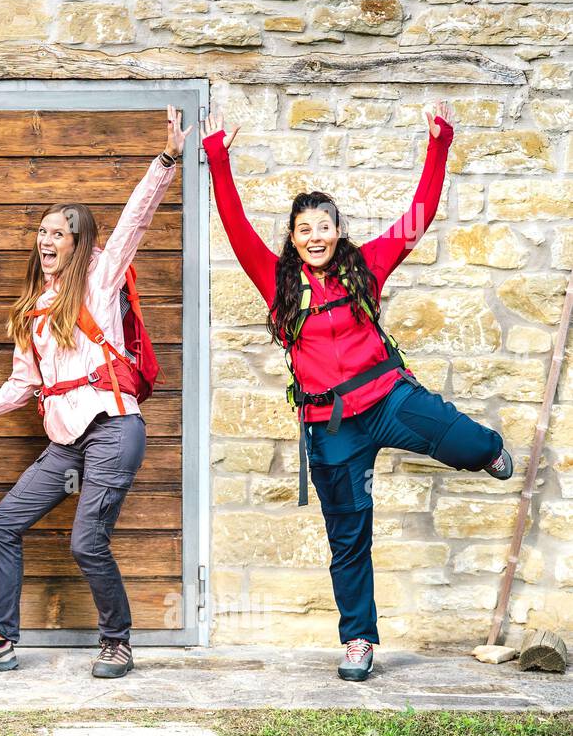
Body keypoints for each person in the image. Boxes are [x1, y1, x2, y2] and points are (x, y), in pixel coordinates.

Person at [199, 100, 513, 682]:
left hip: (390, 400)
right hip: (331, 427)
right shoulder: (275, 281)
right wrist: (218, 157)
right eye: (303, 230)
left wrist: (439, 142)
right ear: (292, 240)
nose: (314, 236)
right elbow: (235, 223)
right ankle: (359, 641)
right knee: (348, 536)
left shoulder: (366, 266)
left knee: (470, 446)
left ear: (338, 231)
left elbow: (417, 217)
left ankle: (489, 447)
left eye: (323, 226)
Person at [0, 105, 189, 679]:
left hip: (115, 429)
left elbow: (134, 223)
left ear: (76, 244)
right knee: (2, 524)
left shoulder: (100, 279)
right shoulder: (32, 310)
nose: (45, 239)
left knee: (85, 542)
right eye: (41, 231)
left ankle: (116, 641)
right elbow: (24, 386)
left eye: (56, 233)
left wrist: (166, 161)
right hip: (66, 441)